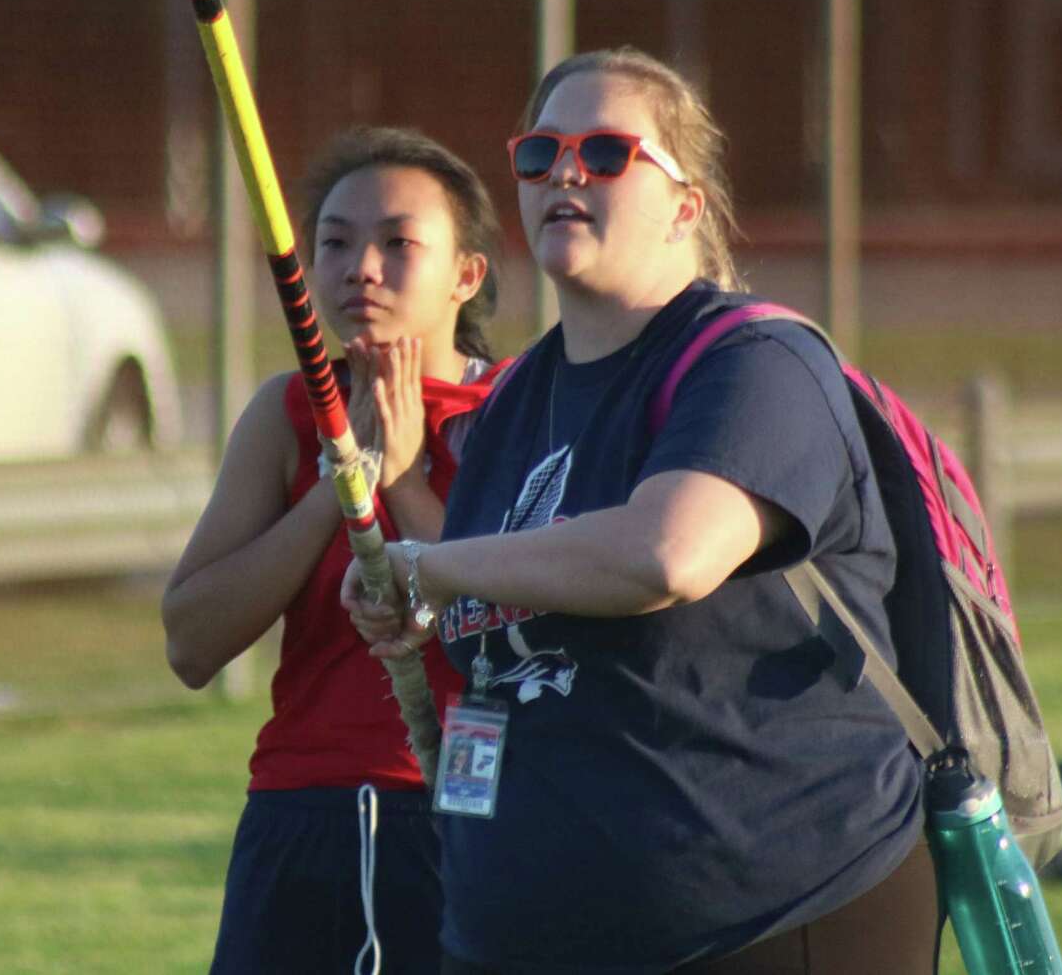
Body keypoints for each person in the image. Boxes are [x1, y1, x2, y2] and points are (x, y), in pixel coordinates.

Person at [343, 47, 943, 974]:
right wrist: (413, 596)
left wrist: (428, 568)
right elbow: (503, 600)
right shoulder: (516, 403)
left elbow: (667, 554)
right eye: (539, 154)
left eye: (608, 152)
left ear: (687, 205)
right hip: (516, 937)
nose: (564, 172)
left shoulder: (755, 367)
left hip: (776, 918)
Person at [162, 125, 510, 974]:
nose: (362, 267)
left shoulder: (519, 410)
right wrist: (338, 482)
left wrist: (400, 481)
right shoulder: (287, 415)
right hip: (303, 810)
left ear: (466, 273)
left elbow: (524, 609)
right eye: (337, 242)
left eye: (399, 243)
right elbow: (191, 641)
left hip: (474, 807)